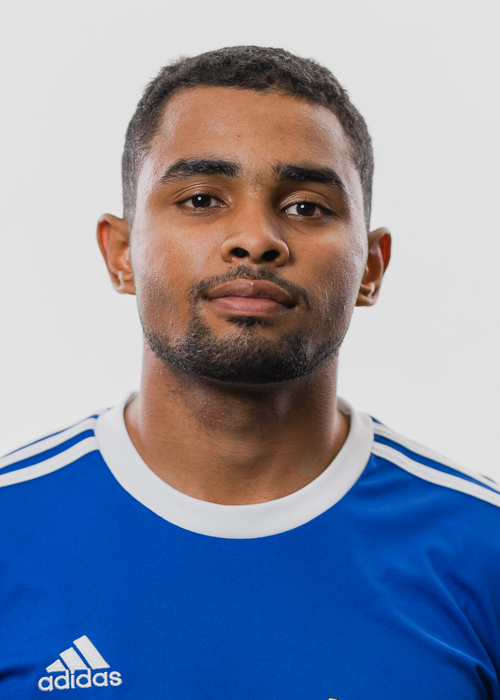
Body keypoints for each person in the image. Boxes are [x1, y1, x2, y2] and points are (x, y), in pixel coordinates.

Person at [1, 46, 499, 699]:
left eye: (306, 207)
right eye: (202, 198)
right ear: (121, 254)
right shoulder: (11, 531)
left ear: (372, 267)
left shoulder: (484, 548)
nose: (256, 238)